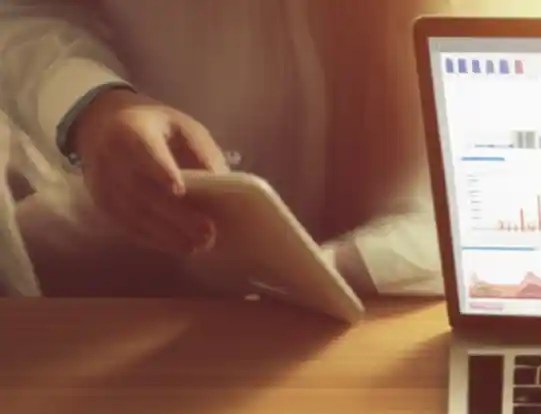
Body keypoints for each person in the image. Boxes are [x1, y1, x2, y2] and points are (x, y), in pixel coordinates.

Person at [0, 0, 444, 297]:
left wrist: (328, 273)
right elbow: (20, 11)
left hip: (399, 298)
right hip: (134, 279)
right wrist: (93, 103)